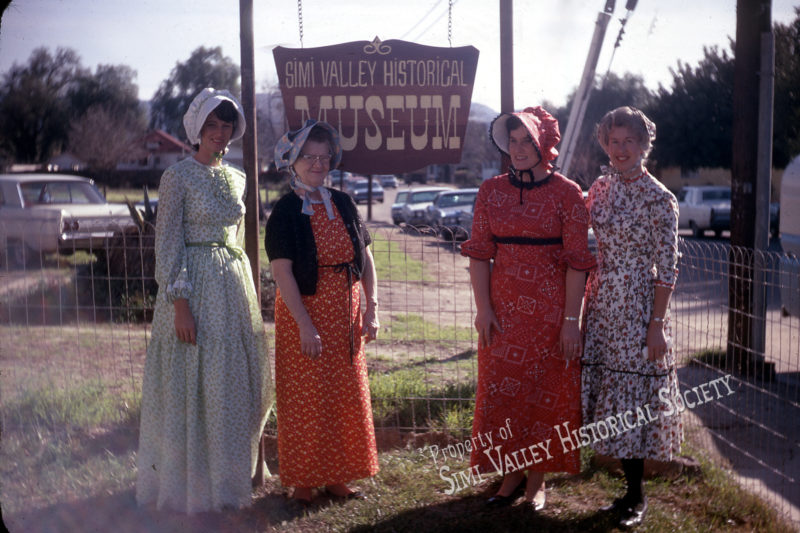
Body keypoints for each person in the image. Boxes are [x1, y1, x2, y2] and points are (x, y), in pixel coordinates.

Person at [136, 88, 272, 514]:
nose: (219, 132)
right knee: (193, 383)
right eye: (211, 124)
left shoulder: (239, 177)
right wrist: (179, 302)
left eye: (226, 124)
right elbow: (169, 242)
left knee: (228, 383)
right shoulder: (176, 176)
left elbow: (234, 238)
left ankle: (229, 485)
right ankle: (187, 486)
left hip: (232, 290)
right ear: (197, 129)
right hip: (191, 289)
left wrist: (245, 288)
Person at [461, 106, 596, 510]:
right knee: (503, 393)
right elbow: (479, 255)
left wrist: (572, 322)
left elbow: (578, 263)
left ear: (544, 143)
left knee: (546, 394)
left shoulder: (568, 193)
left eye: (527, 141)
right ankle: (509, 477)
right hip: (502, 314)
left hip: (551, 314)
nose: (519, 149)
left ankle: (537, 481)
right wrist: (483, 308)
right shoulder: (490, 191)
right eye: (513, 141)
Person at [265, 120, 380, 504]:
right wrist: (304, 324)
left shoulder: (343, 202)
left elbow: (365, 258)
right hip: (305, 314)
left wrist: (371, 308)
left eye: (324, 157)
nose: (317, 164)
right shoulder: (285, 210)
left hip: (344, 318)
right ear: (292, 161)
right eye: (308, 157)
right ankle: (302, 482)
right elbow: (282, 273)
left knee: (343, 397)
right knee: (306, 399)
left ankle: (337, 478)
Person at [581, 106, 682, 528]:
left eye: (629, 142)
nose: (621, 149)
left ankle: (637, 497)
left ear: (644, 145)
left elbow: (668, 267)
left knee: (634, 401)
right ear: (605, 144)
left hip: (639, 309)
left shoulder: (661, 198)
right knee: (612, 396)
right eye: (613, 141)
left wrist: (655, 325)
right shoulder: (599, 189)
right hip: (603, 303)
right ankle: (626, 492)